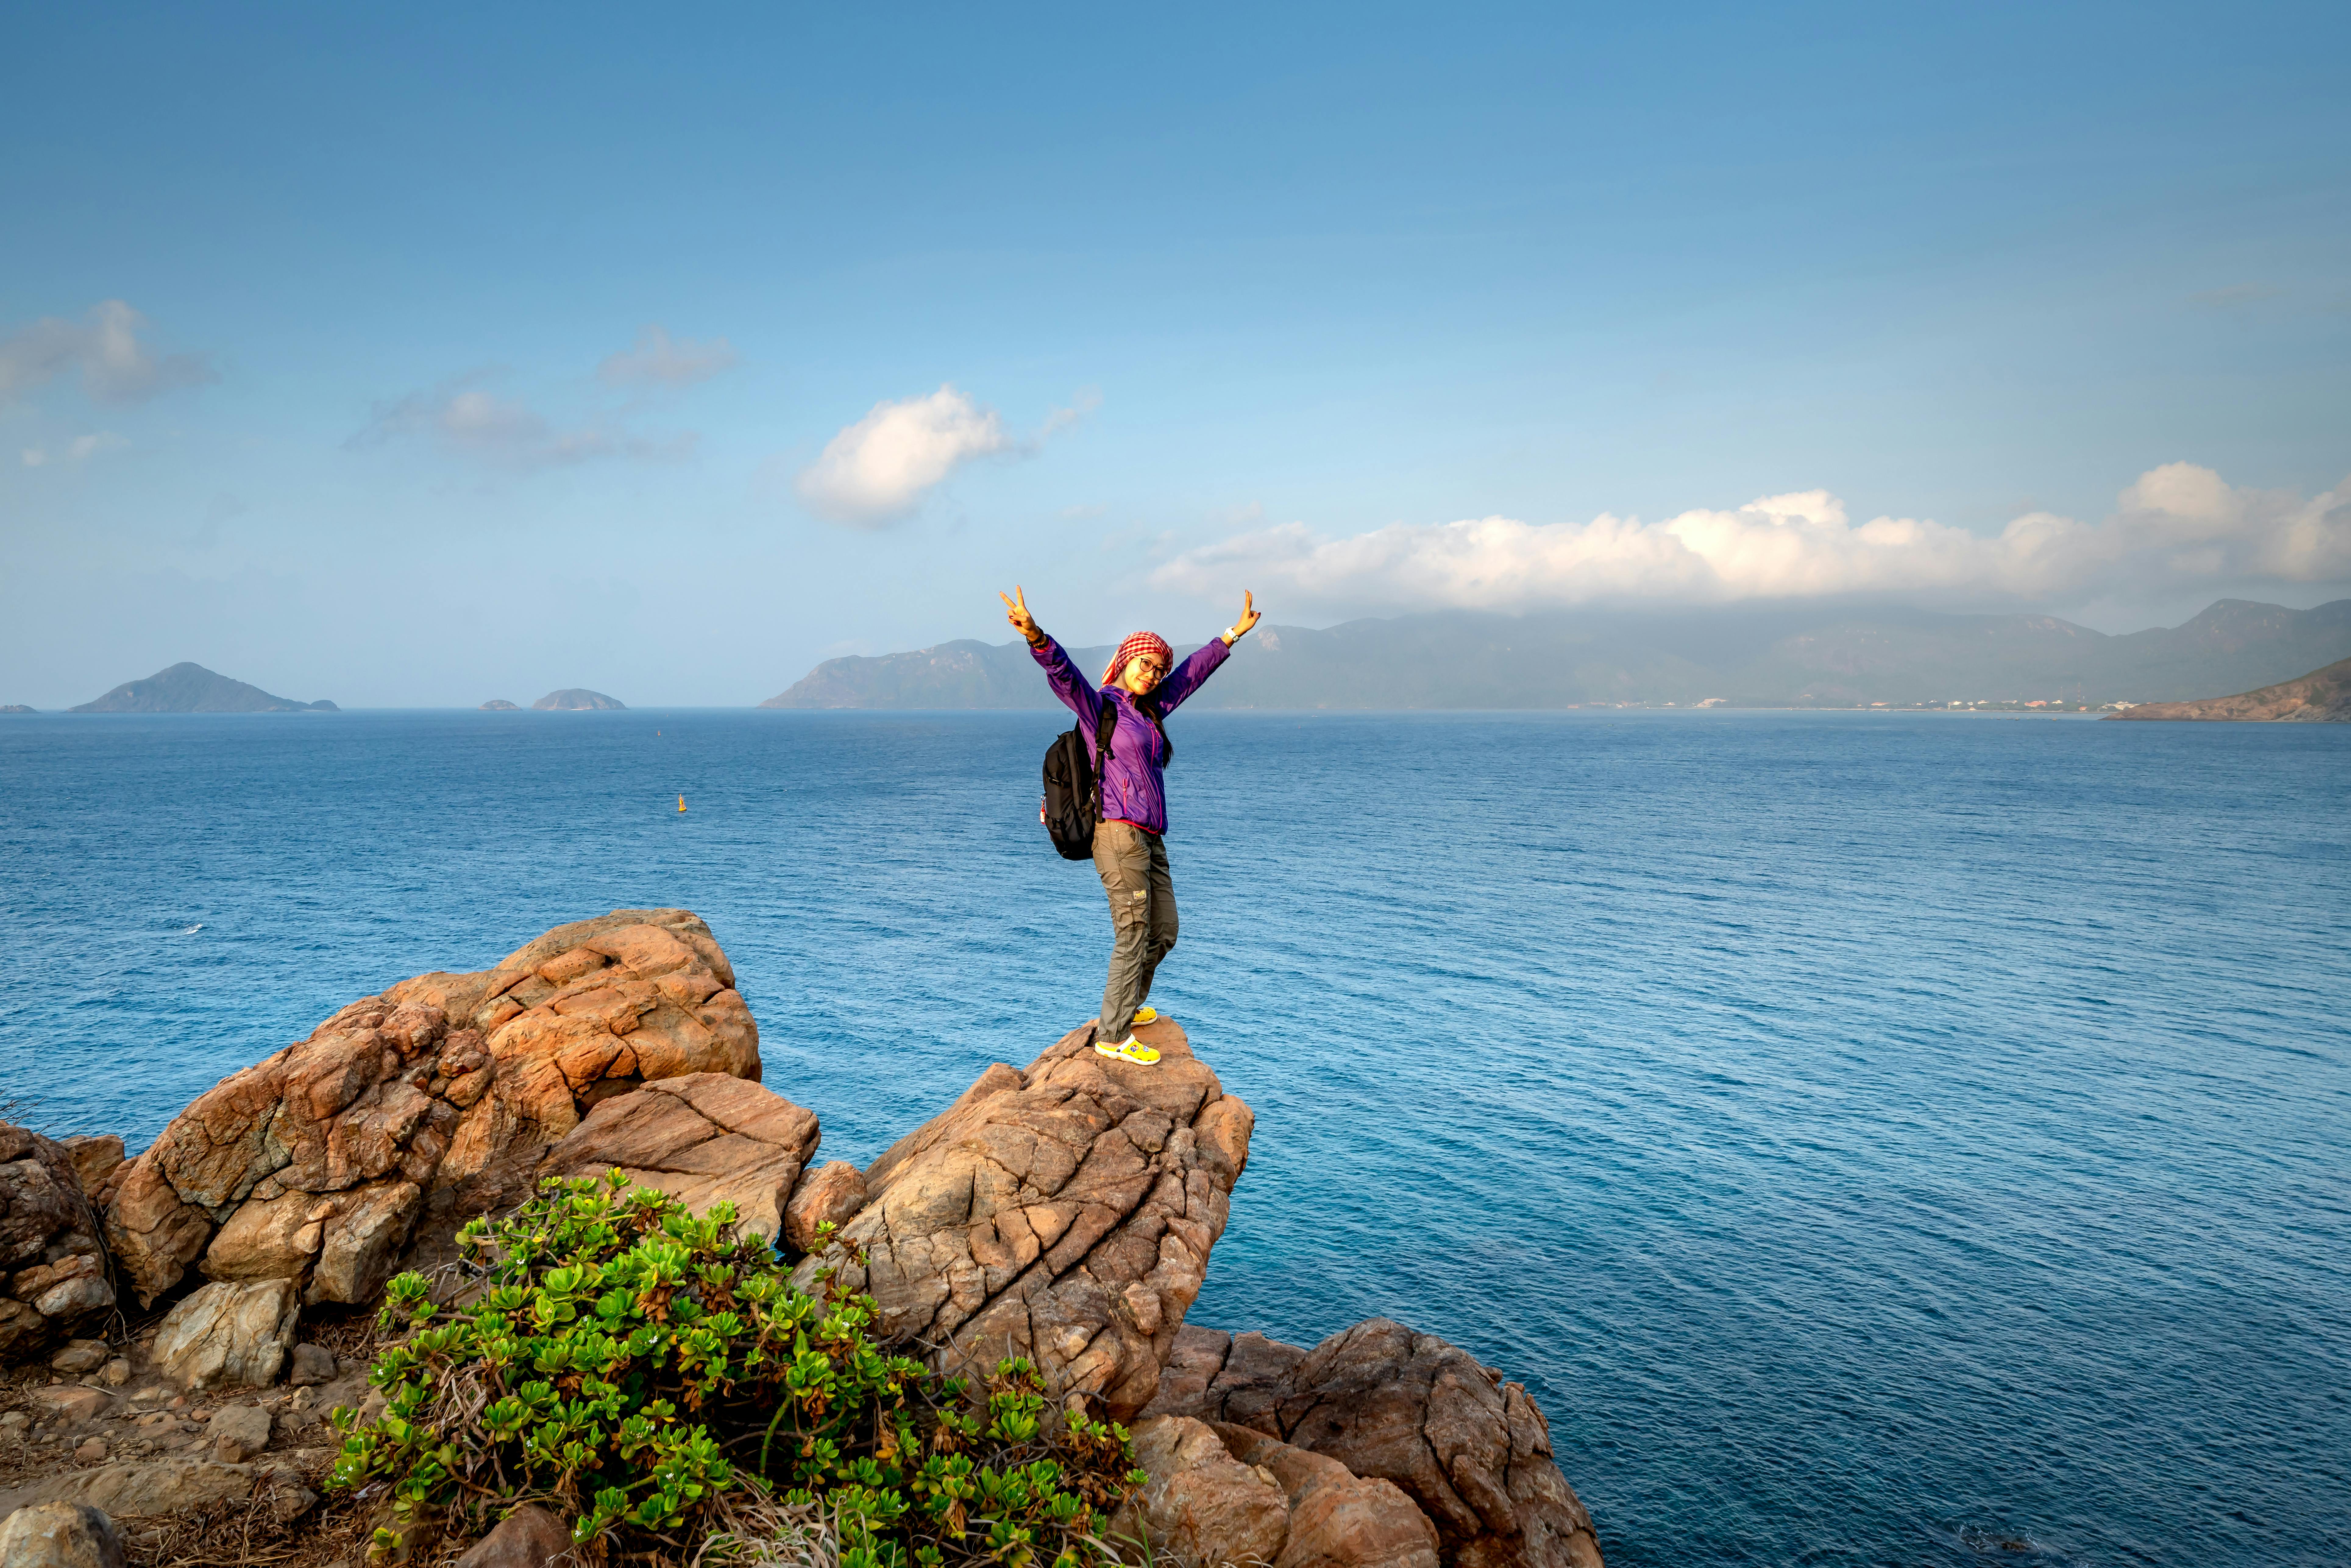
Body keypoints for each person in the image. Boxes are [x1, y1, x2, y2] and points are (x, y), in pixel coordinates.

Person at [999, 584, 1262, 1065]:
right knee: (1133, 930)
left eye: (1159, 668)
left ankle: (1127, 1004)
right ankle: (1113, 1035)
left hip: (1150, 835)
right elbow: (1064, 676)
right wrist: (1037, 636)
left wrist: (1230, 636)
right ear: (1125, 661)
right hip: (1117, 834)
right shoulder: (1100, 707)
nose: (1154, 674)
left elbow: (1190, 677)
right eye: (1147, 664)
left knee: (1164, 930)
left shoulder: (1150, 711)